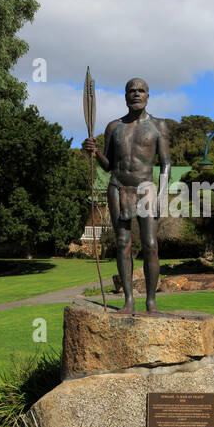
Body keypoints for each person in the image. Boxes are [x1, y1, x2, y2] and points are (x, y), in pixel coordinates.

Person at [82, 77, 170, 313]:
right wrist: (95, 152)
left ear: (148, 95)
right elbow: (108, 165)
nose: (136, 94)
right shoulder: (114, 127)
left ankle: (150, 301)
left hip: (146, 188)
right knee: (123, 243)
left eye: (141, 91)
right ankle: (129, 300)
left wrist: (162, 196)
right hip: (118, 187)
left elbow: (166, 165)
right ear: (125, 96)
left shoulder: (158, 126)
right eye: (132, 91)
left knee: (151, 244)